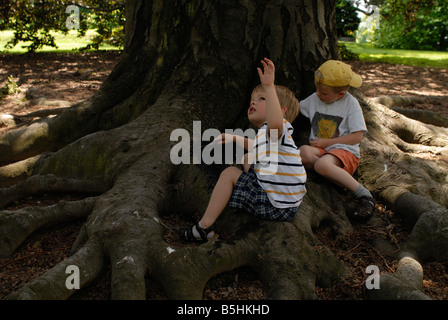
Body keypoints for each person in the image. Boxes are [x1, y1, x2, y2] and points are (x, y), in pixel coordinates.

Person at [180, 58, 307, 241]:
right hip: (289, 206)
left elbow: (275, 122)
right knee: (248, 157)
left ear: (281, 111)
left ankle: (203, 227)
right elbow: (256, 146)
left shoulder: (277, 127)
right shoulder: (274, 135)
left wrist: (269, 86)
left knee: (230, 173)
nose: (253, 103)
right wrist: (234, 138)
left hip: (274, 204)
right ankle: (252, 184)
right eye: (252, 100)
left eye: (262, 99)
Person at [299, 60, 375, 221]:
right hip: (322, 151)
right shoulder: (315, 98)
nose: (318, 94)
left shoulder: (350, 104)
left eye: (324, 93)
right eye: (317, 90)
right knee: (303, 152)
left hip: (345, 151)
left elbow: (357, 137)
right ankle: (335, 179)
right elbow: (296, 108)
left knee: (322, 164)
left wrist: (326, 143)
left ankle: (364, 195)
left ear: (340, 94)